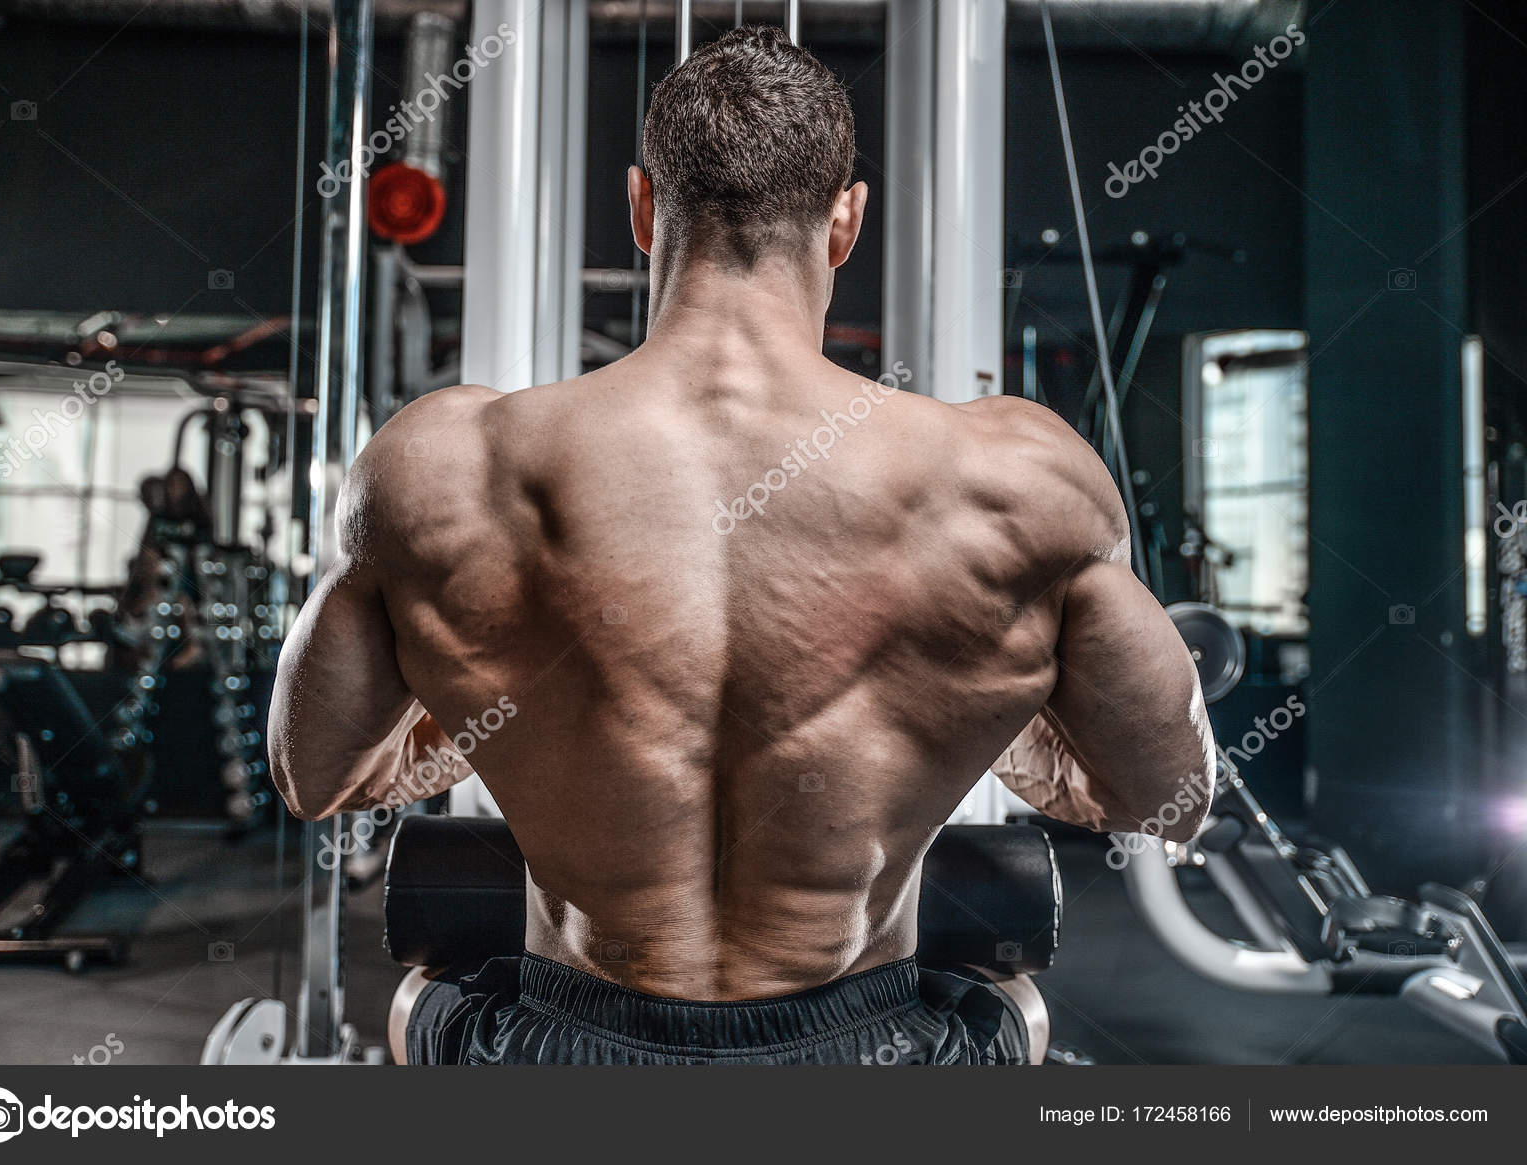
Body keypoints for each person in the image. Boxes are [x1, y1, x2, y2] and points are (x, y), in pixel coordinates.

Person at [269, 25, 1215, 1065]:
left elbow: (314, 775)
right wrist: (983, 712)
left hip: (566, 1054)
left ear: (641, 208)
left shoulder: (445, 461)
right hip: (865, 1059)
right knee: (1016, 1010)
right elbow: (1167, 800)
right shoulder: (1017, 478)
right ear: (846, 221)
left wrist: (495, 701)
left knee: (420, 1003)